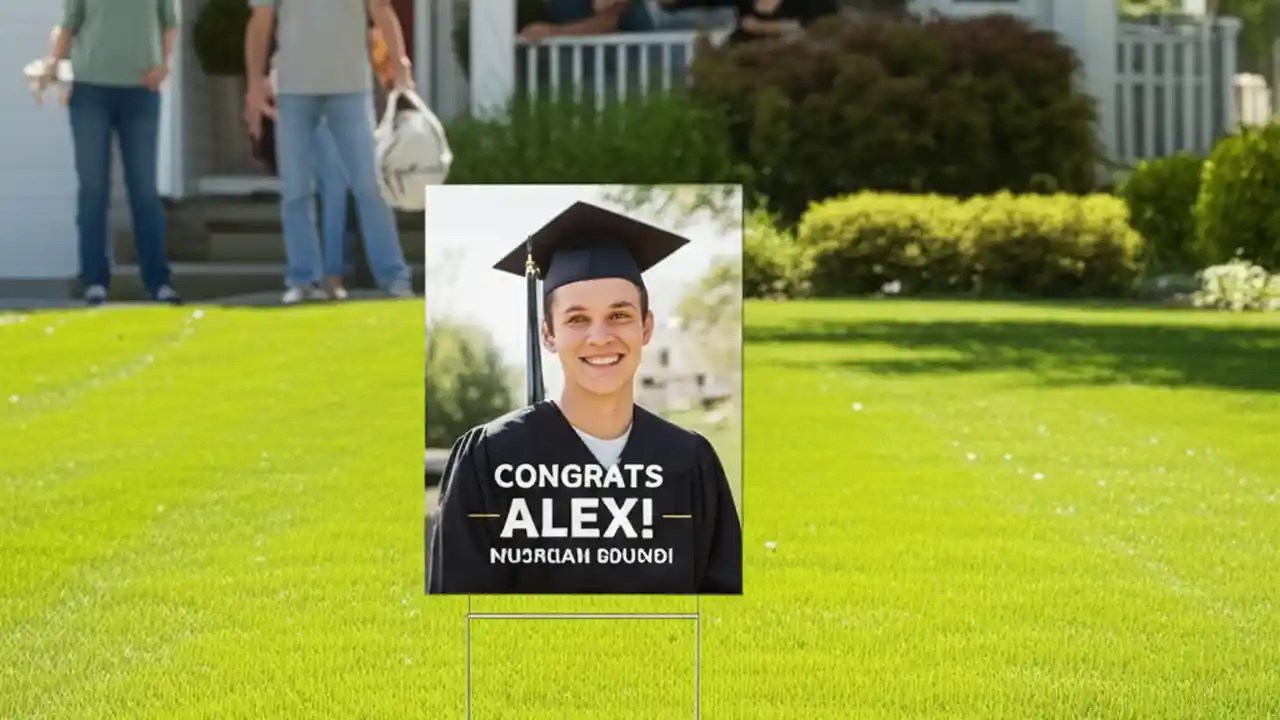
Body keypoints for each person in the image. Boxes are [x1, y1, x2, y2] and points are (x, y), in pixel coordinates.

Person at [426, 201, 742, 595]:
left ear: (646, 328)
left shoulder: (689, 461)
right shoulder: (490, 459)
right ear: (548, 335)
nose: (599, 337)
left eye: (619, 315)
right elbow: (461, 611)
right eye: (577, 319)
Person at [243, 0, 415, 305]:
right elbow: (260, 19)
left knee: (371, 186)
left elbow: (380, 8)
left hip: (350, 88)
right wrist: (254, 83)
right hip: (294, 90)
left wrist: (399, 64)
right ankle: (303, 280)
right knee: (296, 191)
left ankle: (394, 279)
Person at [44, 0, 183, 307]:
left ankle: (158, 282)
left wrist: (164, 65)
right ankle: (94, 282)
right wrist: (53, 67)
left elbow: (169, 23)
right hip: (89, 90)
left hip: (141, 92)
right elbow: (69, 23)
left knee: (144, 190)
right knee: (93, 189)